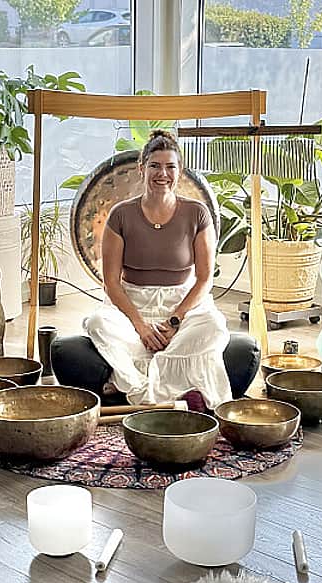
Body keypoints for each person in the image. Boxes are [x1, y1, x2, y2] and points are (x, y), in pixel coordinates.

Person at [83, 129, 232, 410]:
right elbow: (112, 284)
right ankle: (155, 390)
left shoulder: (197, 213)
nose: (162, 173)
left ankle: (135, 384)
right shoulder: (120, 214)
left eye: (170, 167)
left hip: (183, 304)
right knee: (97, 323)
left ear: (180, 171)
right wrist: (140, 327)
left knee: (213, 327)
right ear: (141, 169)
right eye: (154, 166)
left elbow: (203, 279)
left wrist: (174, 322)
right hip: (133, 303)